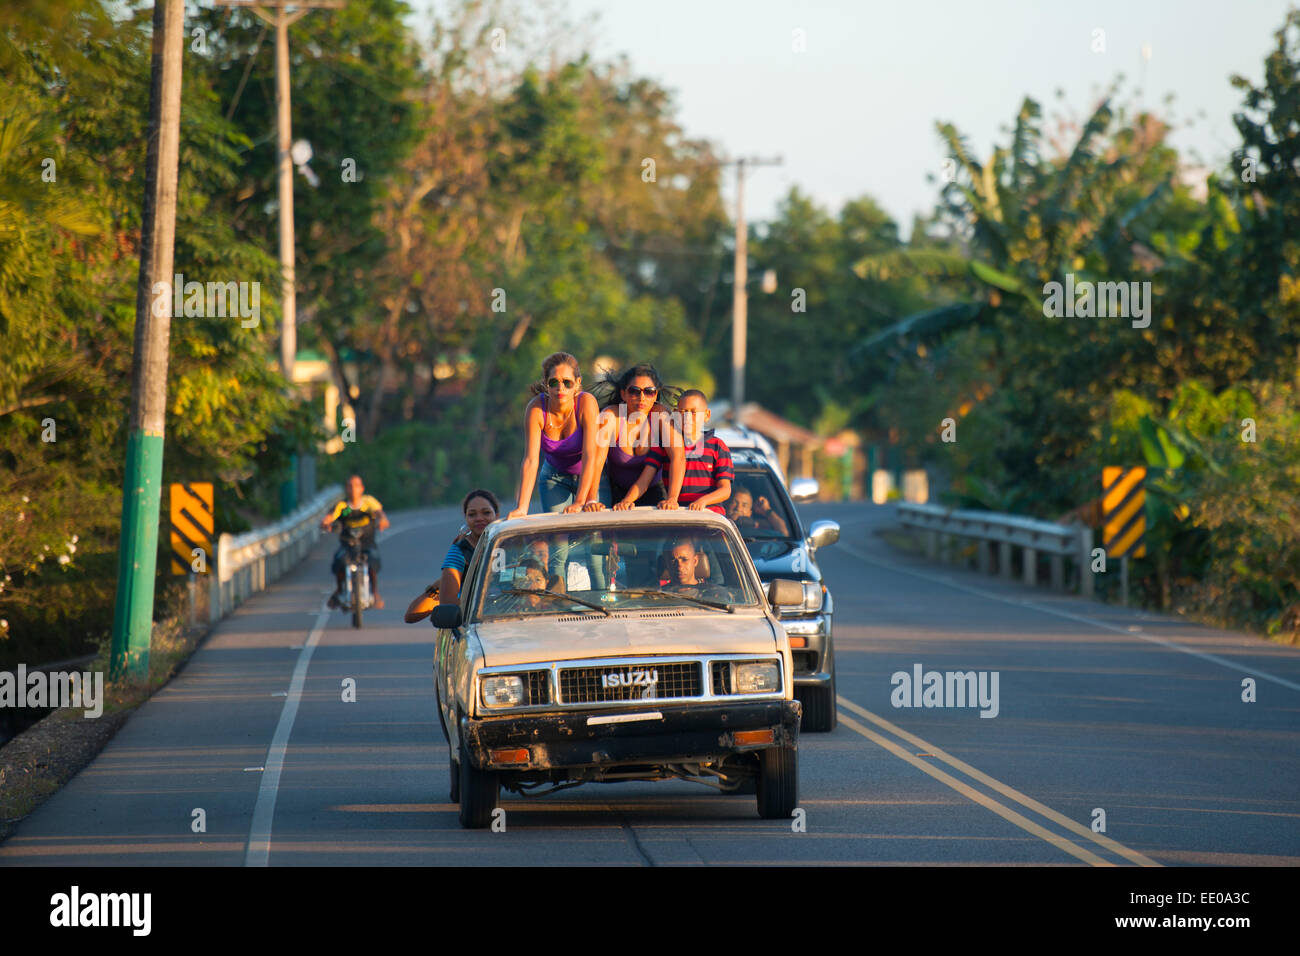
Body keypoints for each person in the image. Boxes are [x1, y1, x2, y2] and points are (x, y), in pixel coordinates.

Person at [506, 353, 603, 585]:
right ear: (545, 384)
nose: (560, 387)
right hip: (554, 477)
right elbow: (530, 460)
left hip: (588, 476)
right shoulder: (536, 409)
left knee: (595, 549)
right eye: (554, 382)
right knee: (559, 549)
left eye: (567, 382)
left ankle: (603, 598)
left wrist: (582, 500)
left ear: (577, 384)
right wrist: (522, 507)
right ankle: (560, 602)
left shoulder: (587, 403)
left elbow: (591, 455)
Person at [587, 363, 686, 512]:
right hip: (615, 490)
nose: (641, 397)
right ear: (623, 394)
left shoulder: (660, 415)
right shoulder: (611, 416)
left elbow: (678, 457)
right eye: (634, 391)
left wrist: (672, 498)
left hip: (654, 489)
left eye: (649, 392)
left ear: (656, 394)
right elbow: (596, 461)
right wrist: (591, 499)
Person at [404, 489, 499, 623]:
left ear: (497, 516)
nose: (479, 518)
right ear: (466, 519)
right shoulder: (459, 551)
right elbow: (411, 616)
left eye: (486, 513)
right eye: (472, 514)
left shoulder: (512, 544)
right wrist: (441, 585)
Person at [640, 389, 732, 513]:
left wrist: (703, 501)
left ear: (707, 415)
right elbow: (645, 480)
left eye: (693, 412)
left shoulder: (718, 446)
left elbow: (725, 490)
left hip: (710, 516)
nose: (687, 417)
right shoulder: (666, 446)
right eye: (683, 412)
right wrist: (626, 501)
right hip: (678, 515)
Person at [322, 474, 390, 609]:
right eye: (350, 486)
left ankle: (375, 593)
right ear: (346, 489)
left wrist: (382, 520)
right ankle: (339, 589)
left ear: (362, 488)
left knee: (372, 561)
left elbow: (379, 512)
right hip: (347, 544)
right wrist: (326, 523)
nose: (353, 489)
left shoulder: (368, 503)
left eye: (356, 486)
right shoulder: (343, 506)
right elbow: (330, 516)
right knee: (339, 561)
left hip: (367, 543)